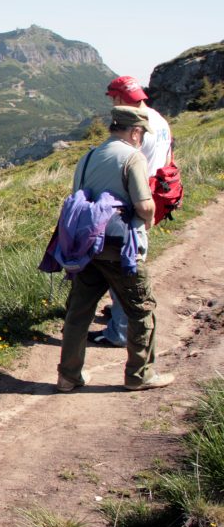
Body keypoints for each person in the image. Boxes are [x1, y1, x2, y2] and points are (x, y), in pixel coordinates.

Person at [57, 105, 174, 392]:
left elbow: (77, 197)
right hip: (120, 251)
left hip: (87, 251)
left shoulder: (87, 157)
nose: (142, 139)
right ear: (134, 131)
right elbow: (144, 205)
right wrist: (147, 221)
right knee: (141, 309)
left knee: (79, 312)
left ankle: (67, 377)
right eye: (141, 133)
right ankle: (140, 375)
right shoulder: (132, 158)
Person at [90, 76, 174, 347]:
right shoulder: (159, 119)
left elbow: (126, 163)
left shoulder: (134, 128)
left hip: (134, 201)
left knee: (122, 261)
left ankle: (120, 331)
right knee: (131, 260)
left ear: (118, 98)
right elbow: (169, 159)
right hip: (152, 194)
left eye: (112, 97)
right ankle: (121, 313)